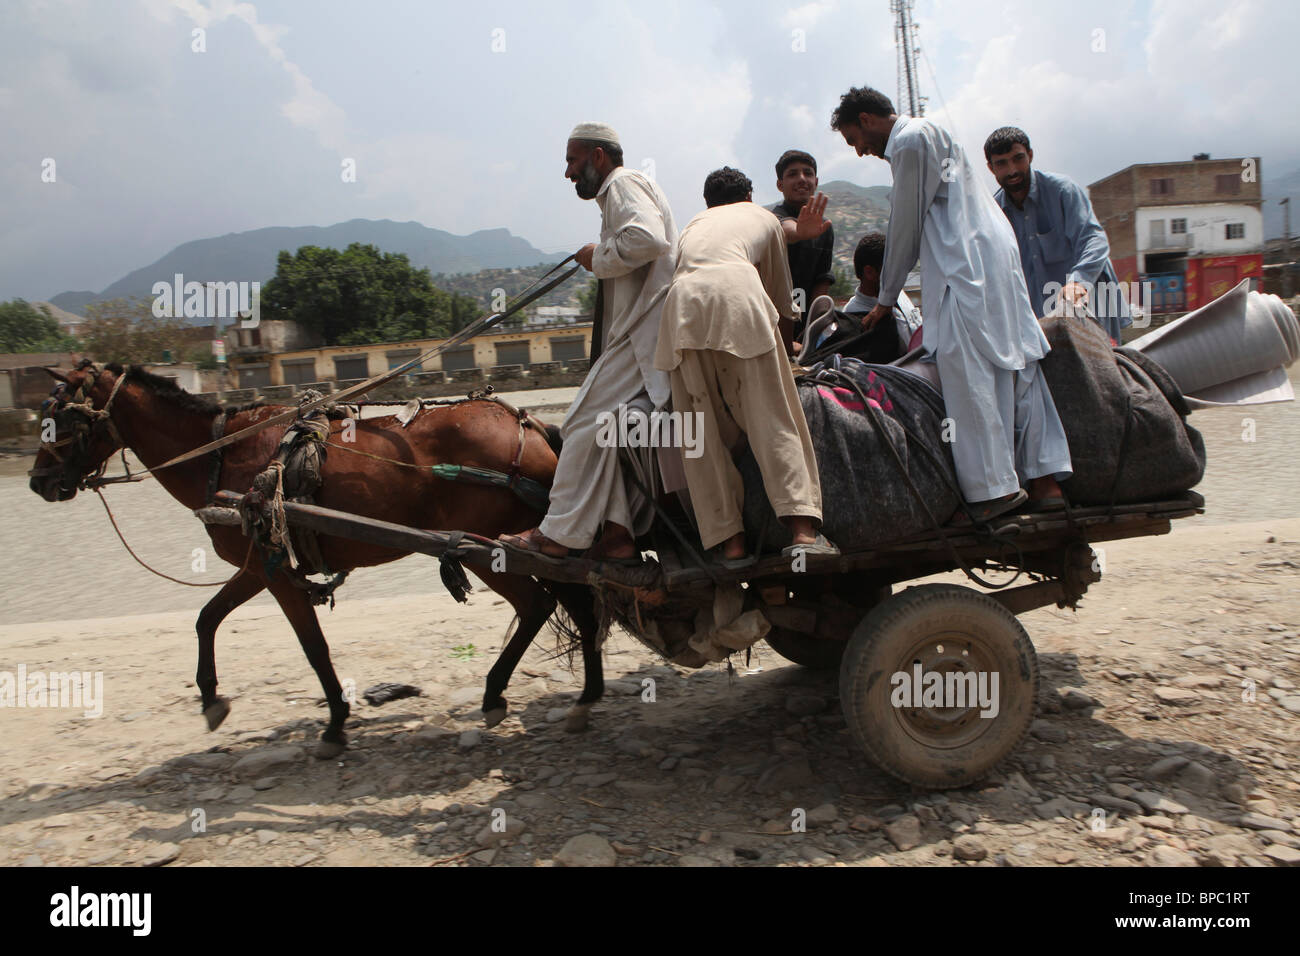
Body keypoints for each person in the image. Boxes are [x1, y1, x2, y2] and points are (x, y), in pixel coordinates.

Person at [831, 86, 1072, 520]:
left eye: (855, 140)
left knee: (968, 375)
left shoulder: (907, 141)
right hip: (993, 255)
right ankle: (1044, 480)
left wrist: (885, 299)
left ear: (867, 119)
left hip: (965, 265)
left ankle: (994, 492)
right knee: (1016, 362)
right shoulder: (934, 133)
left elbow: (903, 224)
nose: (861, 151)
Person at [500, 123, 677, 561]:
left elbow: (648, 239)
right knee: (605, 429)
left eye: (572, 161)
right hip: (644, 334)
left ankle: (557, 535)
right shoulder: (620, 192)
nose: (567, 173)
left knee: (579, 422)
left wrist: (595, 257)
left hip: (643, 337)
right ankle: (618, 536)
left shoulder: (622, 183)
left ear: (598, 157)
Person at [655, 167, 835, 564]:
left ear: (708, 202)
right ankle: (803, 530)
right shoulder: (764, 218)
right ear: (750, 196)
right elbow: (782, 300)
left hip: (681, 311)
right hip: (737, 298)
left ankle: (730, 543)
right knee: (773, 416)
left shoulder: (694, 225)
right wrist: (786, 356)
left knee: (702, 435)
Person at [985, 126, 1131, 344]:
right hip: (1043, 317)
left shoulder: (1063, 190)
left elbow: (1093, 239)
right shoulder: (995, 212)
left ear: (1030, 155)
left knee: (1103, 368)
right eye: (1002, 163)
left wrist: (1078, 283)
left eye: (1018, 159)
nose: (1012, 170)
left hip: (1088, 303)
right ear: (991, 168)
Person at [765, 149, 835, 336]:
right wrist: (799, 232)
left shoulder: (824, 227)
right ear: (780, 185)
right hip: (773, 323)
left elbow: (822, 280)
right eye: (792, 174)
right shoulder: (772, 219)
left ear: (816, 182)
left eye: (808, 173)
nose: (802, 179)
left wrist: (814, 329)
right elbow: (785, 229)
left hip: (805, 325)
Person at [840, 231, 922, 358]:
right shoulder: (853, 317)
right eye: (891, 269)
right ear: (869, 272)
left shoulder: (898, 294)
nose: (898, 275)